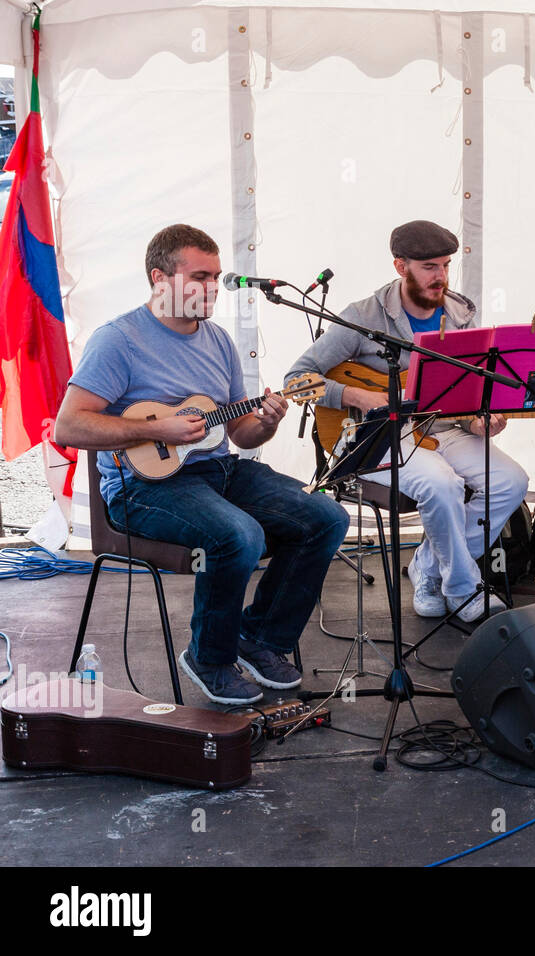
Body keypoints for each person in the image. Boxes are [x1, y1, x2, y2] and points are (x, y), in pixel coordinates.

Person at [54, 224, 351, 704]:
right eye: (200, 277)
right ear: (160, 278)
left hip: (217, 471)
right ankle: (209, 656)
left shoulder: (218, 341)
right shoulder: (119, 340)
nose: (213, 288)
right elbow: (68, 428)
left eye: (215, 277)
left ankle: (260, 638)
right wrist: (156, 429)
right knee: (239, 534)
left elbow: (240, 433)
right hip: (141, 487)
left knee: (327, 516)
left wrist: (269, 421)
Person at [286, 220, 528, 623]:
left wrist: (476, 422)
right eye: (430, 267)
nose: (441, 277)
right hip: (377, 433)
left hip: (439, 427)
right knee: (441, 483)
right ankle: (462, 588)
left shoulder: (460, 312)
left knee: (510, 481)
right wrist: (357, 396)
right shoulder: (361, 317)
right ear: (401, 266)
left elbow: (460, 392)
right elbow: (296, 379)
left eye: (446, 266)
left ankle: (428, 569)